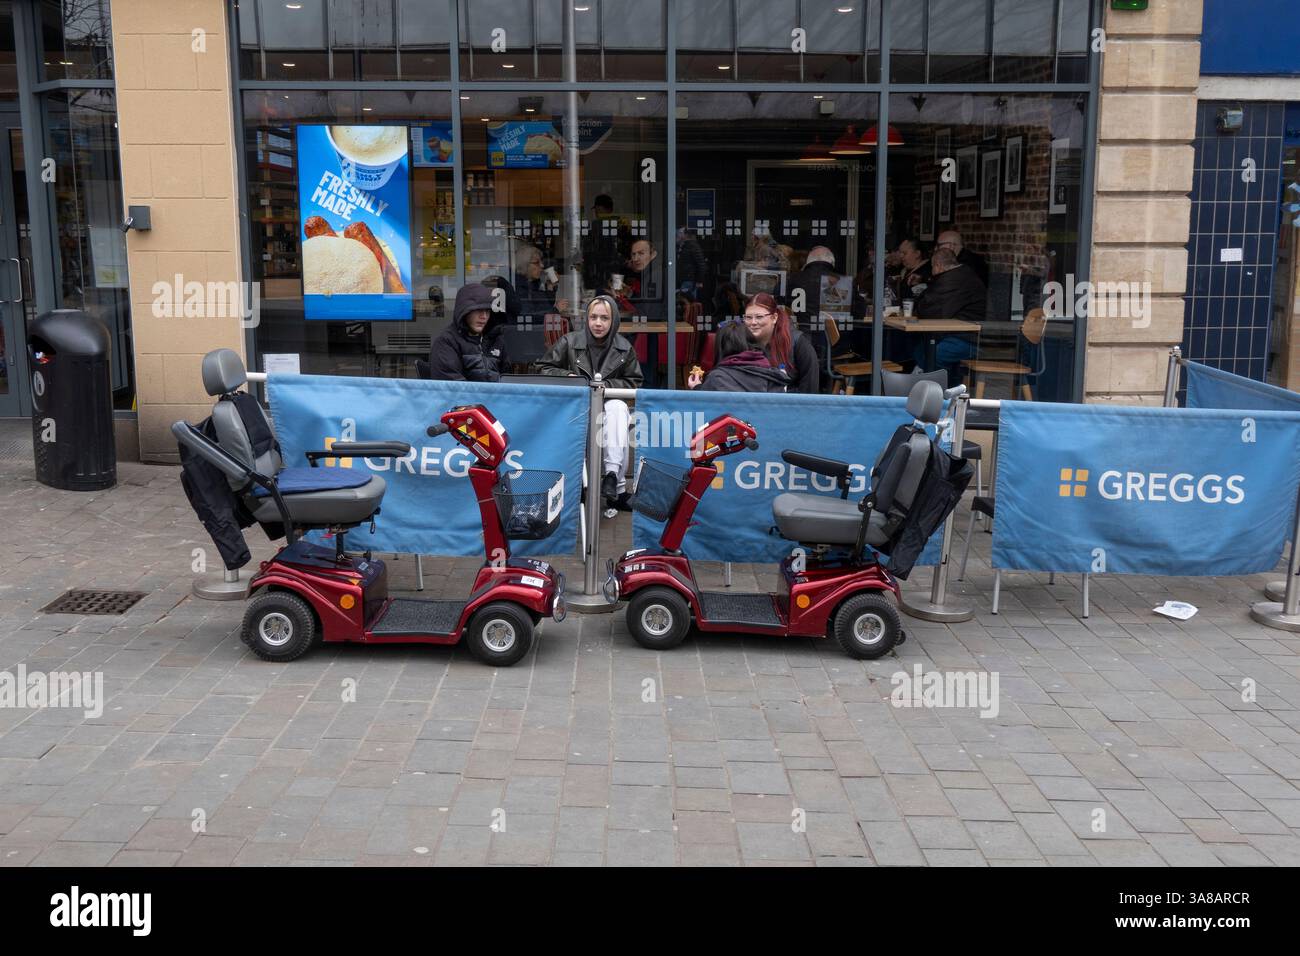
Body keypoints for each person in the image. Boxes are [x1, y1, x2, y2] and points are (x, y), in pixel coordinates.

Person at [534, 295, 643, 510]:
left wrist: (605, 386)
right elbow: (542, 367)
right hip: (576, 405)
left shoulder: (624, 348)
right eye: (593, 317)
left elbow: (634, 382)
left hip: (608, 404)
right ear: (586, 319)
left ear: (614, 321)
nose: (598, 323)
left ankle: (613, 480)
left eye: (604, 318)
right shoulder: (569, 341)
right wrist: (568, 377)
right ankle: (580, 487)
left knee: (619, 409)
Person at [912, 246, 986, 375]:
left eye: (932, 268)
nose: (932, 272)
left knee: (935, 354)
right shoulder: (960, 275)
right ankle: (925, 381)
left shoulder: (954, 279)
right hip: (960, 335)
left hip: (971, 340)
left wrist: (919, 300)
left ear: (938, 265)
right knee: (920, 348)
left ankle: (937, 389)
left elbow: (930, 311)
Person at [428, 282, 508, 382]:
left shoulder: (496, 340)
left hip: (497, 396)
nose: (484, 316)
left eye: (487, 311)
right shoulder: (446, 342)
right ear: (465, 311)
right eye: (478, 310)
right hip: (464, 397)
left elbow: (510, 379)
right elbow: (451, 387)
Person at [787, 245, 841, 390]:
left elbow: (779, 304)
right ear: (831, 263)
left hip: (795, 341)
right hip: (830, 346)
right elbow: (858, 313)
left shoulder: (791, 279)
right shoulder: (839, 281)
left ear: (808, 262)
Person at [743, 292, 819, 394]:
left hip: (791, 406)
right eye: (748, 317)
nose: (753, 322)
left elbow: (810, 387)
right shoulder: (741, 342)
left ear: (774, 318)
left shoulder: (798, 342)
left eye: (759, 317)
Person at [687, 321, 790, 393]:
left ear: (721, 347)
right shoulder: (772, 375)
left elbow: (708, 408)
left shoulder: (717, 377)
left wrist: (697, 387)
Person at [512, 242, 568, 318]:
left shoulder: (532, 283)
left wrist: (550, 286)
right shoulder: (519, 288)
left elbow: (545, 305)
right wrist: (556, 310)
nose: (542, 265)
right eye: (536, 263)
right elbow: (530, 316)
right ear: (525, 266)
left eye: (541, 262)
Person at [891, 236, 931, 303]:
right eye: (900, 253)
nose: (901, 256)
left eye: (904, 253)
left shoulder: (926, 272)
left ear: (917, 254)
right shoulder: (903, 270)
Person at [675, 227, 709, 301]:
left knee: (687, 303)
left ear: (685, 235)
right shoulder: (683, 246)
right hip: (684, 280)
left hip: (689, 280)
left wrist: (699, 281)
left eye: (680, 233)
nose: (678, 234)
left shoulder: (693, 246)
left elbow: (701, 264)